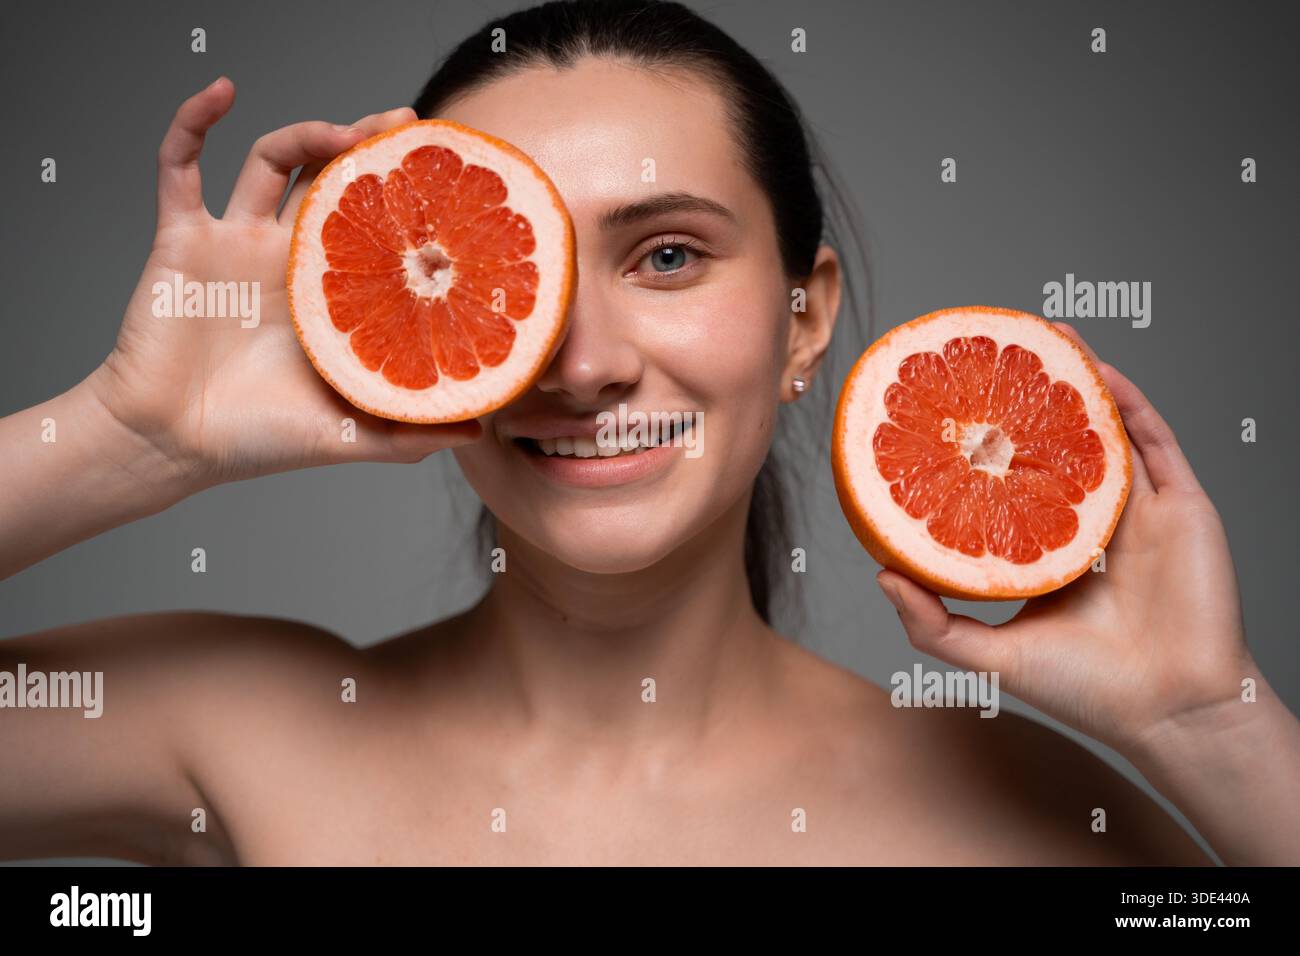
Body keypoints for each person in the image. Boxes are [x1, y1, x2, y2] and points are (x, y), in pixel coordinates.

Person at [1, 0, 1296, 866]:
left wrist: (1213, 732)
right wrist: (135, 434)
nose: (586, 363)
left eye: (668, 254)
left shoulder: (1037, 825)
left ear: (804, 321)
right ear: (410, 325)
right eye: (518, 279)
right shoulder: (239, 724)